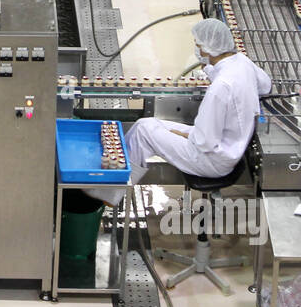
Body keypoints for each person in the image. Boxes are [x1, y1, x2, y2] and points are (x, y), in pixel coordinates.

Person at [87, 19, 271, 206]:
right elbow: (266, 86)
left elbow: (204, 142)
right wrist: (210, 70)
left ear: (209, 48)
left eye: (198, 45)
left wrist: (180, 133)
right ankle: (112, 180)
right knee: (145, 124)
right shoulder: (242, 63)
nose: (197, 49)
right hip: (229, 147)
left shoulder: (219, 89)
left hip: (212, 160)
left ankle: (106, 197)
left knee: (143, 134)